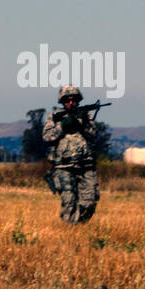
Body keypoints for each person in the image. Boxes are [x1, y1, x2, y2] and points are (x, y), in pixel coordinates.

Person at [42, 84, 100, 223]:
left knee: (89, 203)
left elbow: (93, 135)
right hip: (64, 167)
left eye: (74, 100)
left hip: (86, 166)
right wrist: (62, 126)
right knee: (69, 203)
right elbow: (47, 137)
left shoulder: (86, 116)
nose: (71, 103)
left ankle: (78, 227)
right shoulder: (55, 117)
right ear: (62, 101)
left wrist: (83, 123)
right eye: (67, 100)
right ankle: (69, 233)